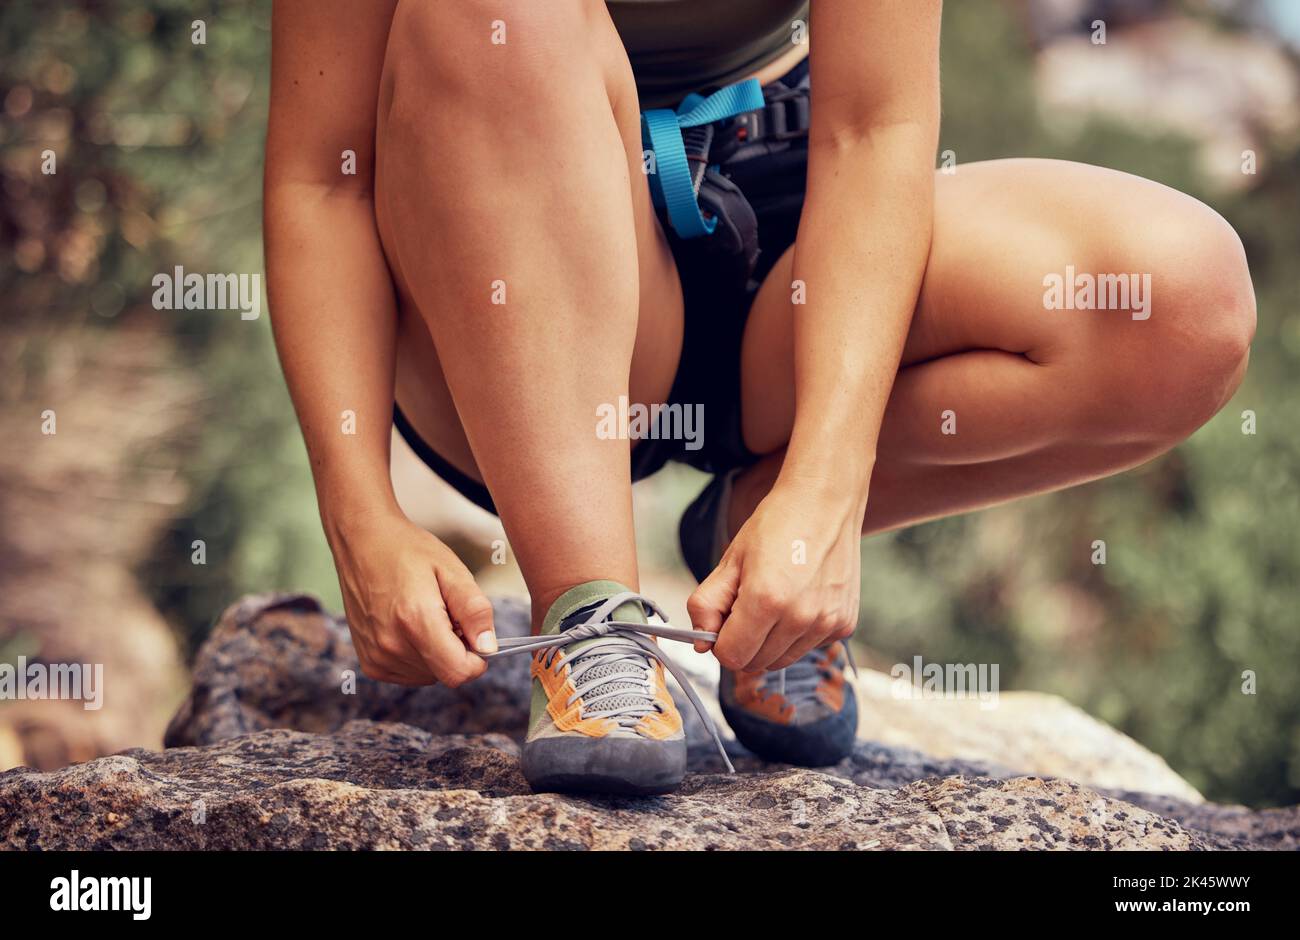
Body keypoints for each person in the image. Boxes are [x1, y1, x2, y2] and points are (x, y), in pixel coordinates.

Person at [263, 0, 1256, 795]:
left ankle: (745, 535)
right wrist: (361, 514)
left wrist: (825, 493)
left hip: (787, 216)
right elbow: (321, 176)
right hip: (506, 276)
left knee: (1180, 306)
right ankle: (593, 618)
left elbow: (874, 130)